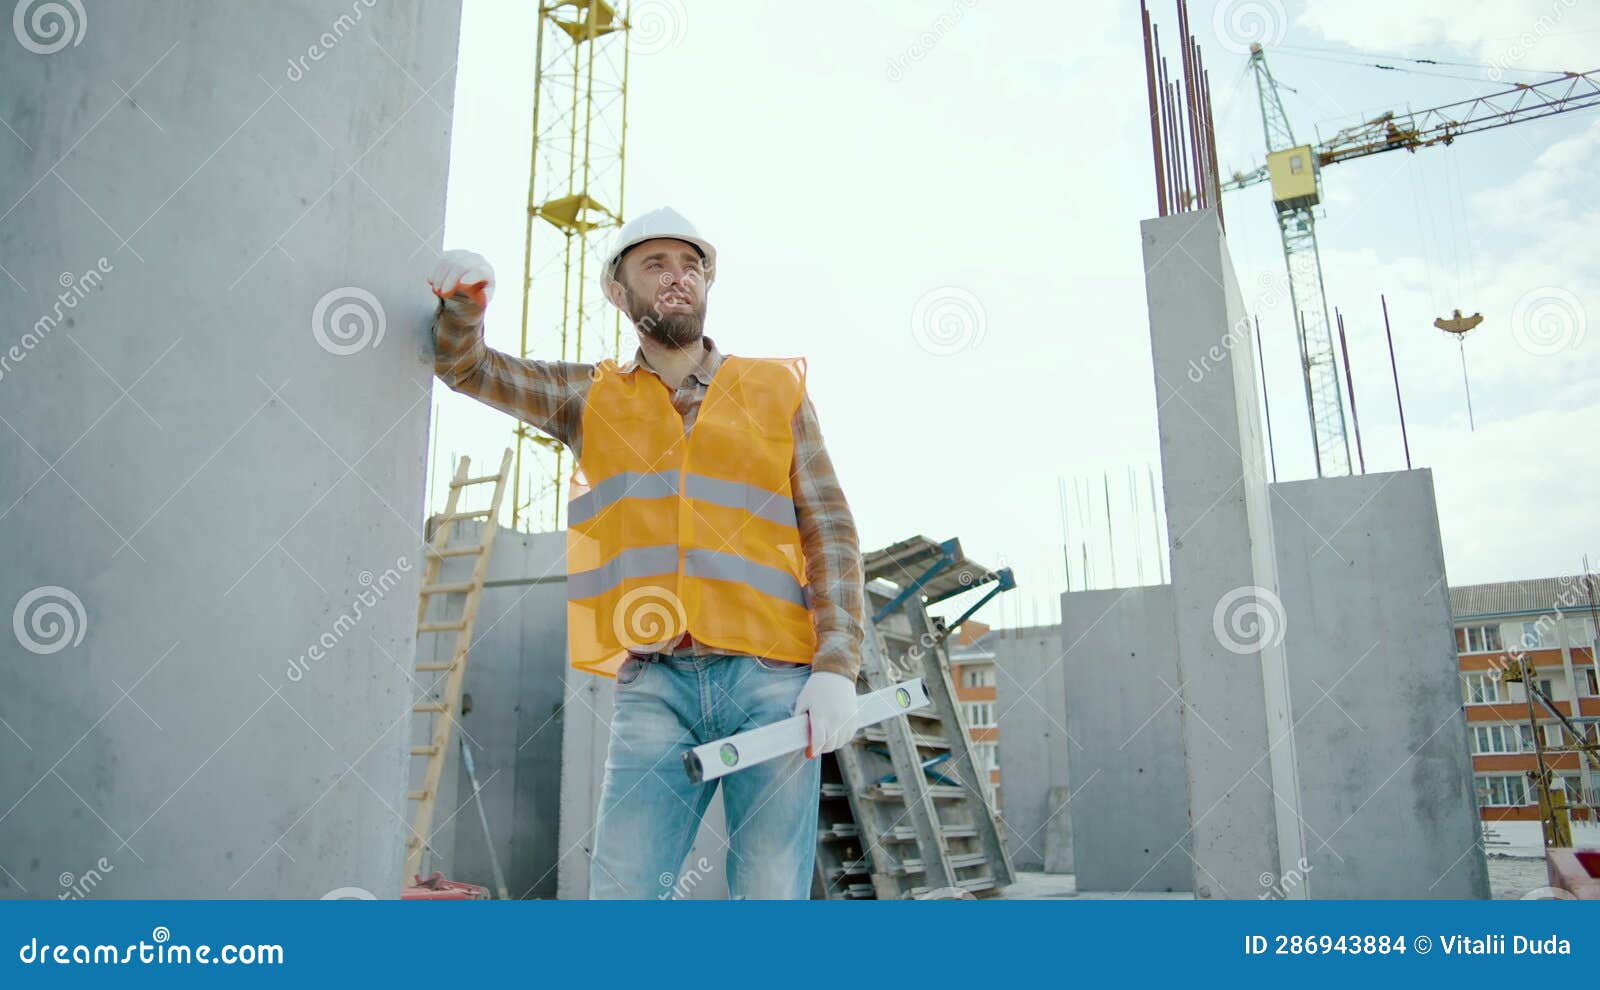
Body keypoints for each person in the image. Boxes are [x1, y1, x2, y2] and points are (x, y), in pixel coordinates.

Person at [426, 206, 866, 899]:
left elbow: (830, 530)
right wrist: (463, 307)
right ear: (618, 291)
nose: (678, 277)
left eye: (691, 264)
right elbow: (465, 367)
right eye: (655, 264)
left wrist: (838, 665)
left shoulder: (774, 391)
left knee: (769, 894)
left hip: (774, 680)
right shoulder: (590, 397)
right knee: (624, 893)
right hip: (655, 685)